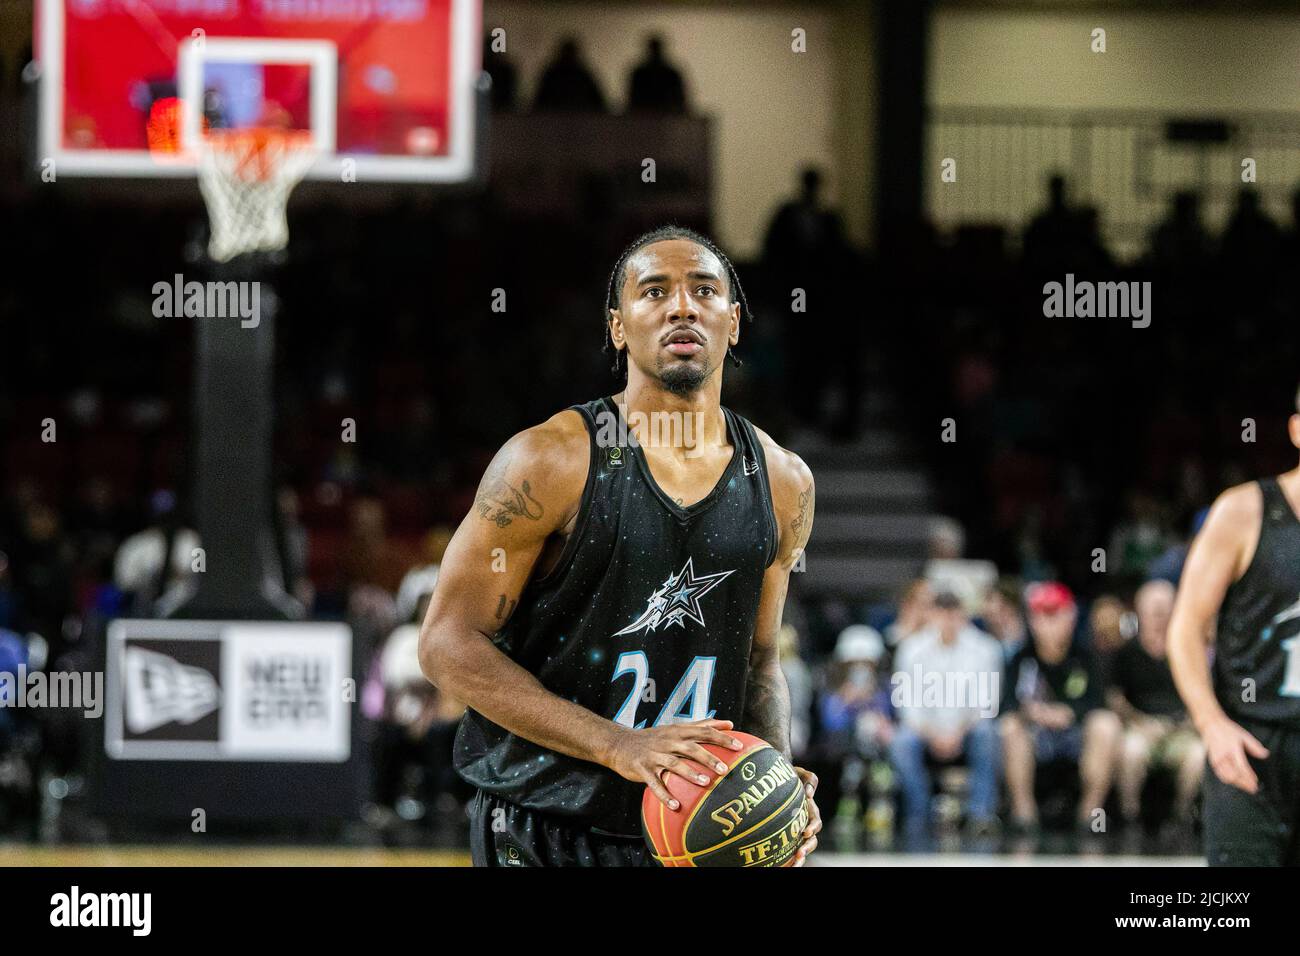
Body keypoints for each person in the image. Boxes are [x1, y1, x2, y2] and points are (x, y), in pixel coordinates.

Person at [419, 226, 822, 867]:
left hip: (692, 835)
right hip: (545, 828)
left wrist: (774, 779)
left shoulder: (782, 482)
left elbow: (760, 660)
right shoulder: (548, 461)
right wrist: (618, 745)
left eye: (704, 290)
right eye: (655, 291)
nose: (682, 306)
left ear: (734, 323)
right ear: (617, 327)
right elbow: (446, 645)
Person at [1168, 386, 1300, 865]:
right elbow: (1185, 628)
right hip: (1253, 746)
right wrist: (1212, 725)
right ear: (1296, 430)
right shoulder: (1246, 510)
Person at [1001, 582, 1121, 833]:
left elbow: (1098, 700)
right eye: (1040, 615)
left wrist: (1069, 713)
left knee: (1106, 724)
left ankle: (1090, 813)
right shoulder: (1021, 658)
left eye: (1054, 615)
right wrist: (1033, 712)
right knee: (1010, 727)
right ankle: (1024, 814)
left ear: (1070, 618)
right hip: (1036, 735)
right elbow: (1007, 703)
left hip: (1076, 733)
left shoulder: (1086, 657)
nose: (1047, 623)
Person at [889, 592, 1002, 837]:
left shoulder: (985, 648)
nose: (948, 620)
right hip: (925, 731)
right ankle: (919, 813)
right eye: (941, 613)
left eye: (954, 613)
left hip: (967, 729)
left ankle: (980, 815)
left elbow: (986, 705)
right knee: (901, 742)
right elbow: (906, 705)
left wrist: (957, 733)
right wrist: (933, 734)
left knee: (988, 733)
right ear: (931, 614)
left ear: (963, 615)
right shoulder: (911, 648)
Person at [1108, 580, 1203, 831]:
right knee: (1130, 751)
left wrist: (1187, 723)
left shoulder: (1189, 650)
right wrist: (1139, 722)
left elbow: (1203, 695)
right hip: (1141, 728)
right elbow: (1115, 698)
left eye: (1164, 610)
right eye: (1153, 611)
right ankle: (1130, 817)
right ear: (1140, 612)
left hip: (1182, 730)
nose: (1159, 617)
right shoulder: (1126, 652)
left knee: (1199, 755)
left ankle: (1181, 817)